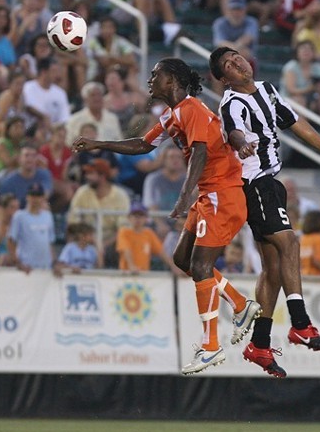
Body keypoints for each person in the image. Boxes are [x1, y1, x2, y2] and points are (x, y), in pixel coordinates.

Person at [72, 57, 259, 375]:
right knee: (183, 260)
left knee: (201, 266)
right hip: (208, 195)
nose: (150, 79)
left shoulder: (192, 109)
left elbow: (200, 152)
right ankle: (240, 304)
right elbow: (143, 145)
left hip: (222, 195)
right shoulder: (172, 114)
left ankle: (211, 346)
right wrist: (99, 144)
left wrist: (184, 196)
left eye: (156, 74)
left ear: (172, 80)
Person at [211, 45, 320, 376]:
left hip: (271, 184)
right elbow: (234, 129)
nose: (237, 62)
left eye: (236, 56)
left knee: (274, 266)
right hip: (254, 183)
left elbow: (298, 124)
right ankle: (300, 322)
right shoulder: (231, 103)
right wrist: (241, 143)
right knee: (290, 243)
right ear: (225, 79)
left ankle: (260, 345)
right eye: (228, 64)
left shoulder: (266, 90)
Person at [7, 183, 55, 273]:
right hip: (27, 267)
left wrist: (53, 263)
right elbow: (11, 241)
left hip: (45, 267)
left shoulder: (48, 216)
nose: (35, 199)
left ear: (43, 198)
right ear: (27, 197)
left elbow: (50, 242)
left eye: (38, 196)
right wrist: (18, 263)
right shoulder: (19, 216)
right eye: (32, 196)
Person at [115, 202, 164, 273]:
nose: (137, 218)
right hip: (126, 273)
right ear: (129, 218)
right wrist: (131, 266)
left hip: (144, 274)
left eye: (141, 215)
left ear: (146, 218)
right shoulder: (123, 232)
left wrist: (174, 266)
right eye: (135, 215)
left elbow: (161, 252)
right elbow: (125, 249)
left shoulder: (149, 233)